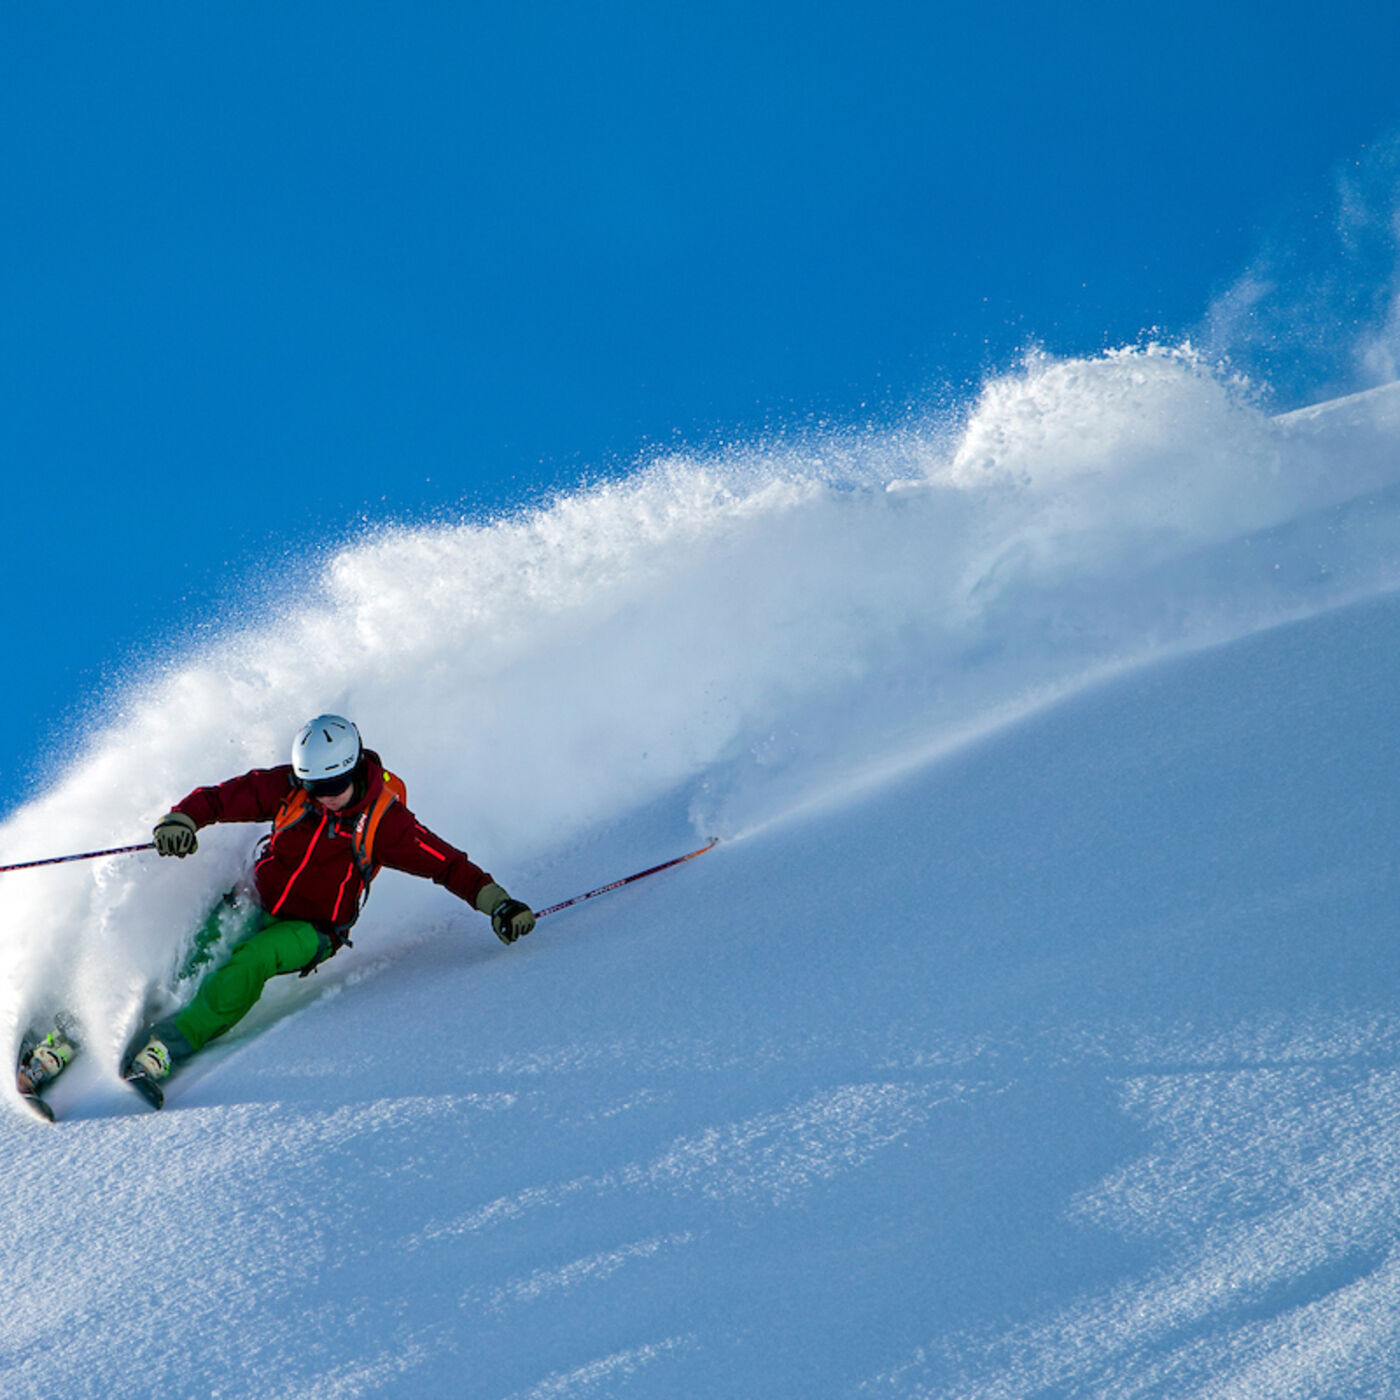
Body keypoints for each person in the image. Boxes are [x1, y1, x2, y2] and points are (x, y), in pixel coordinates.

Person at [124, 714, 534, 1094]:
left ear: (353, 769)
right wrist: (182, 820)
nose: (325, 799)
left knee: (252, 959)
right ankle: (134, 1024)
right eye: (315, 789)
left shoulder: (385, 822)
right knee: (193, 956)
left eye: (333, 788)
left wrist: (500, 905)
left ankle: (170, 1047)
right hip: (252, 899)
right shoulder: (290, 788)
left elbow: (448, 866)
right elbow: (222, 799)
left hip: (313, 928)